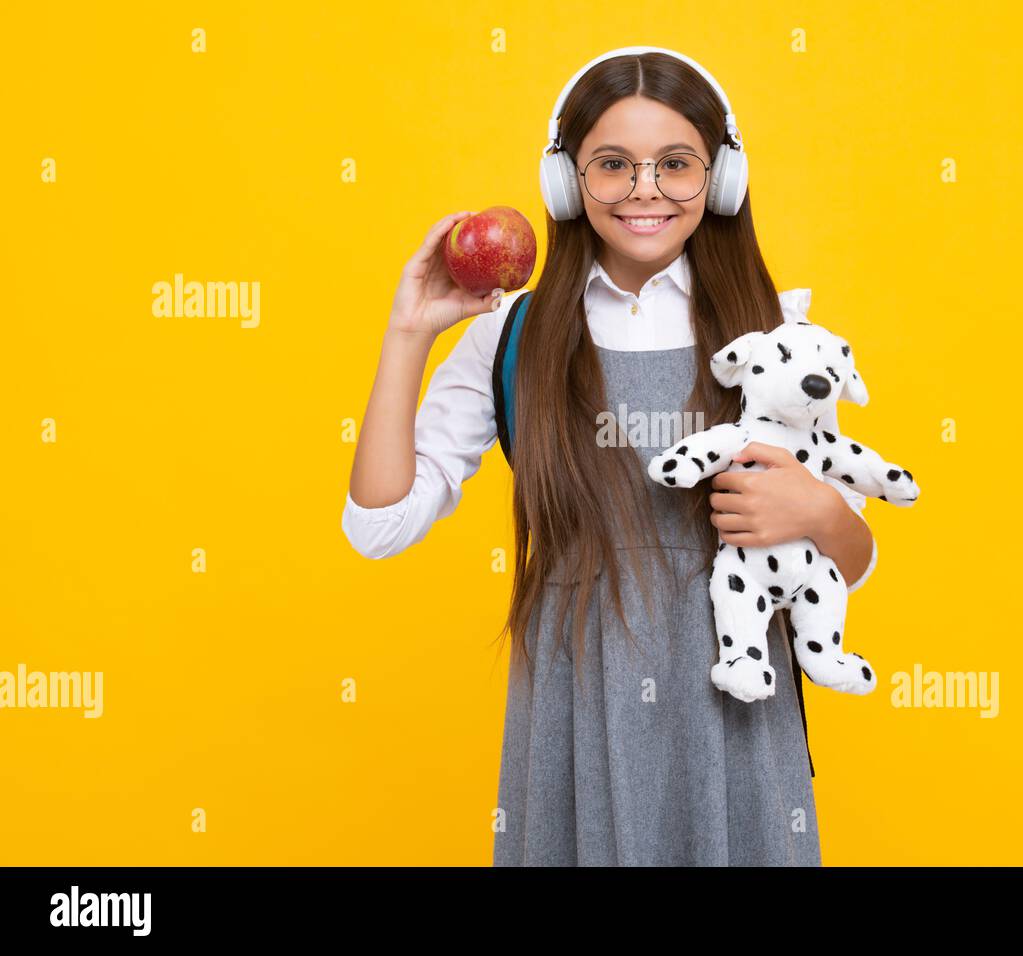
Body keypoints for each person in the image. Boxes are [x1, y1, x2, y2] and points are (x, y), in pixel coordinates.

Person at [342, 47, 879, 866]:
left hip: (736, 706)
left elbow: (846, 563)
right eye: (612, 165)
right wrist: (409, 333)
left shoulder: (778, 335)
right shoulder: (510, 335)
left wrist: (820, 512)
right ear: (566, 181)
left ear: (721, 177)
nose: (645, 189)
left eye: (675, 164)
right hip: (574, 708)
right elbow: (378, 526)